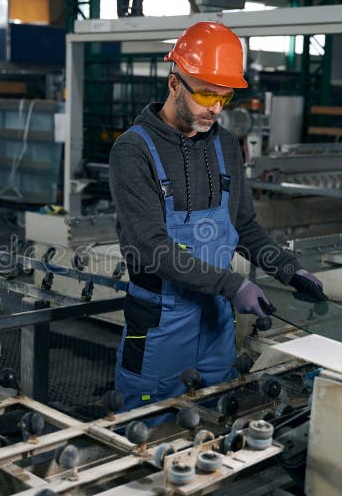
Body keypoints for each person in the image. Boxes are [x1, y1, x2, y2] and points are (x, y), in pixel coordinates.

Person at [108, 21, 325, 412]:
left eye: (224, 98)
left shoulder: (225, 145)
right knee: (148, 426)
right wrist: (231, 284)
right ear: (174, 83)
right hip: (160, 324)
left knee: (214, 422)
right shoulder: (132, 151)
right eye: (206, 94)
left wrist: (288, 269)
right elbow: (151, 246)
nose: (214, 108)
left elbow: (244, 226)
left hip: (217, 323)